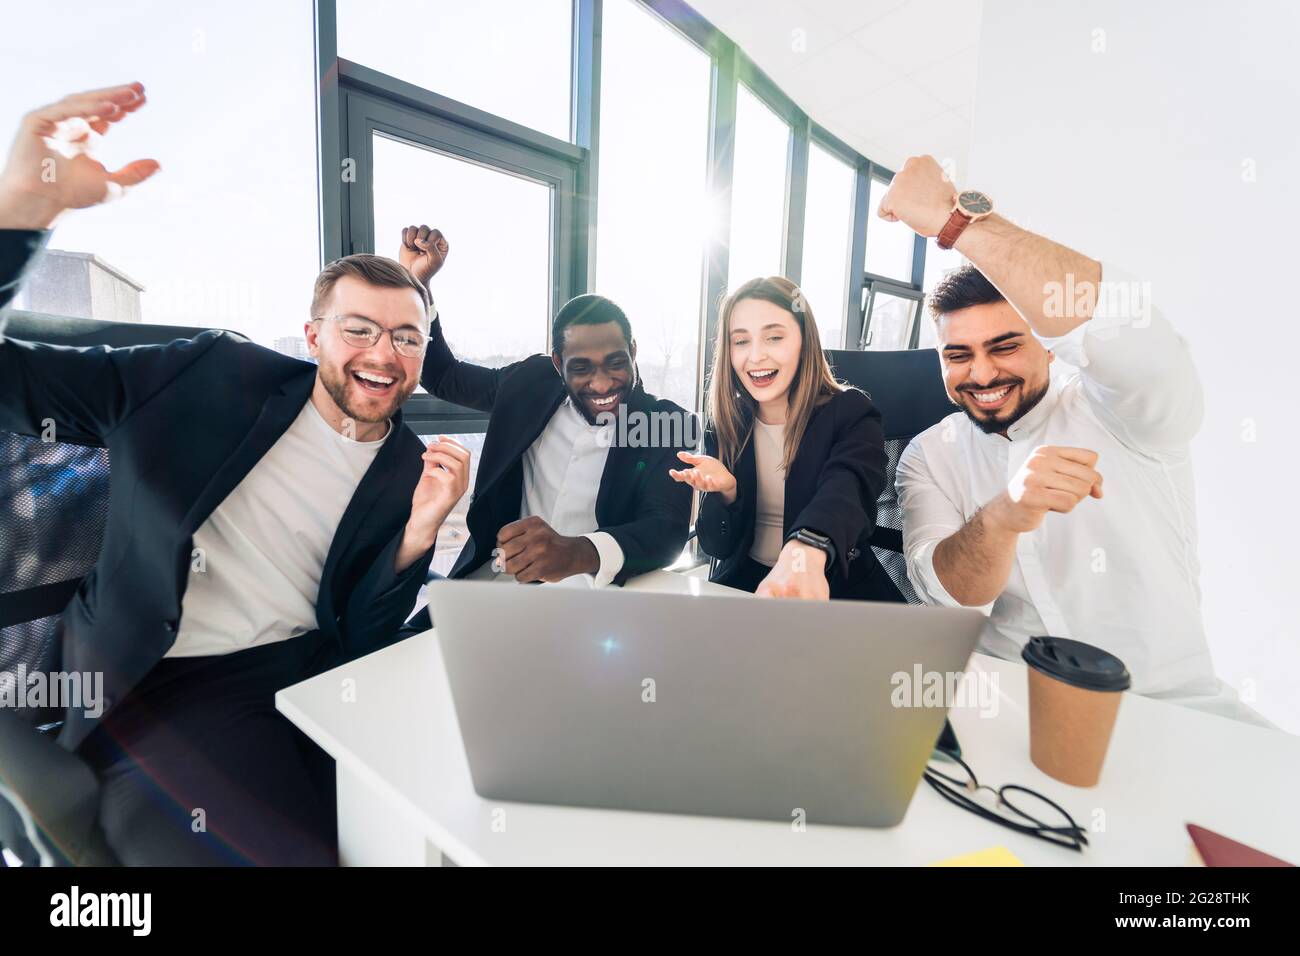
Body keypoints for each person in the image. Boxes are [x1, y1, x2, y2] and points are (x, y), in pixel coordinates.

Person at [0, 84, 472, 864]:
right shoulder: (207, 378)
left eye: (408, 337)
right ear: (314, 333)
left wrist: (419, 534)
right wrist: (21, 212)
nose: (384, 355)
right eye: (359, 330)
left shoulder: (403, 464)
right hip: (172, 686)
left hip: (318, 680)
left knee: (440, 827)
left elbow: (362, 630)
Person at [887, 154, 1256, 721]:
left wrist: (951, 222)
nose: (981, 375)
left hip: (1167, 709)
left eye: (1005, 346)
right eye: (957, 355)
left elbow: (1120, 326)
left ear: (1046, 342)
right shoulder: (930, 452)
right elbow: (946, 596)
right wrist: (1003, 516)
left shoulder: (1121, 409)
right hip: (1004, 700)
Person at [396, 223, 692, 626]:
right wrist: (418, 284)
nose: (602, 383)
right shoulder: (529, 384)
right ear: (557, 364)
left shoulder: (668, 422)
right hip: (493, 581)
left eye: (616, 362)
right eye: (581, 368)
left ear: (633, 352)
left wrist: (577, 552)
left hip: (591, 606)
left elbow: (666, 530)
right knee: (409, 655)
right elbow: (444, 375)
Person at [670, 276, 899, 601]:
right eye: (741, 341)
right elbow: (716, 546)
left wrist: (805, 552)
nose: (756, 356)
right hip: (747, 588)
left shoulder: (850, 412)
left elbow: (846, 491)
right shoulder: (730, 421)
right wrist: (728, 493)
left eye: (774, 337)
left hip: (834, 592)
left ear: (804, 341)